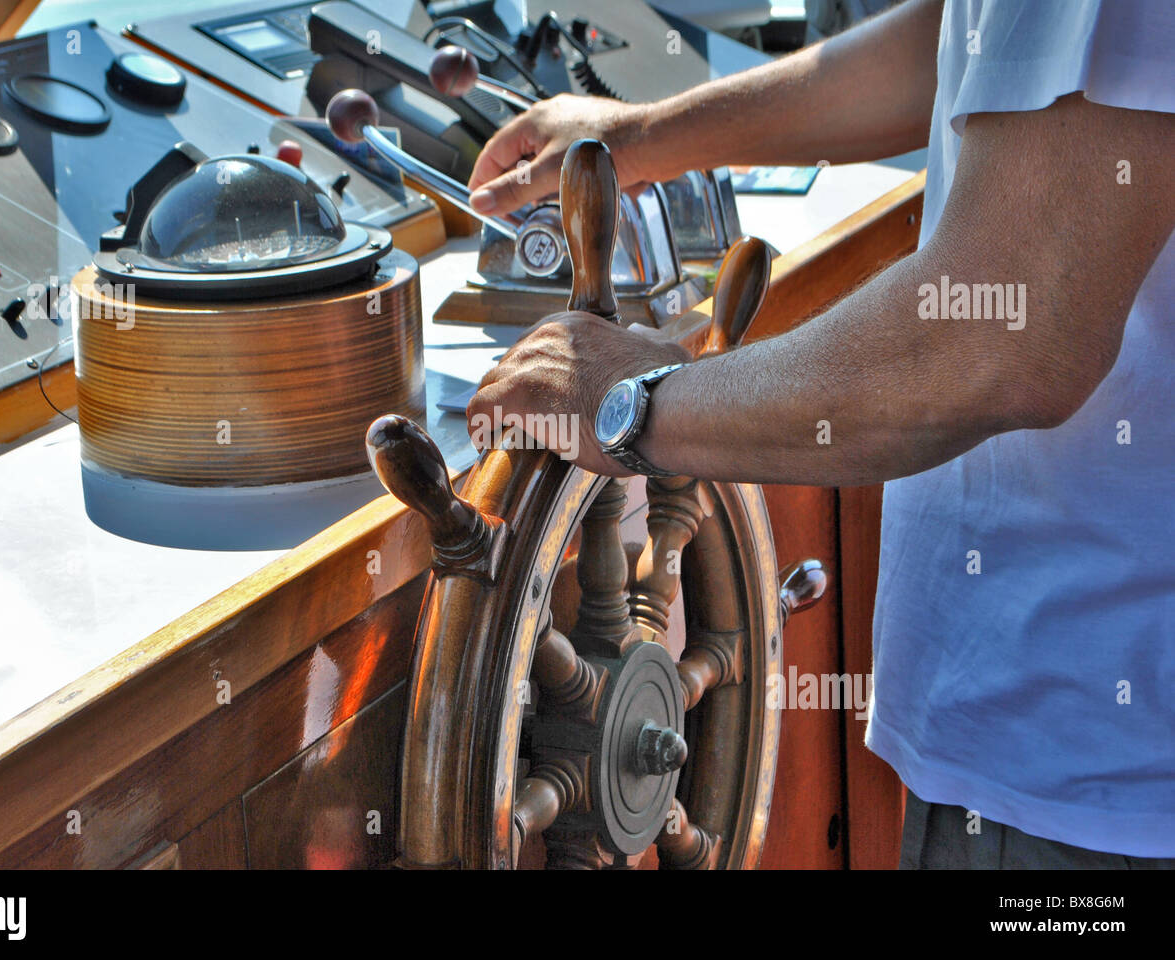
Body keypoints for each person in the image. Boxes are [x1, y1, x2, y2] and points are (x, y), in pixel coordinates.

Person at [464, 0, 1175, 868]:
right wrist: (645, 135)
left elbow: (1005, 338)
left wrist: (631, 403)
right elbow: (965, 39)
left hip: (1098, 785)